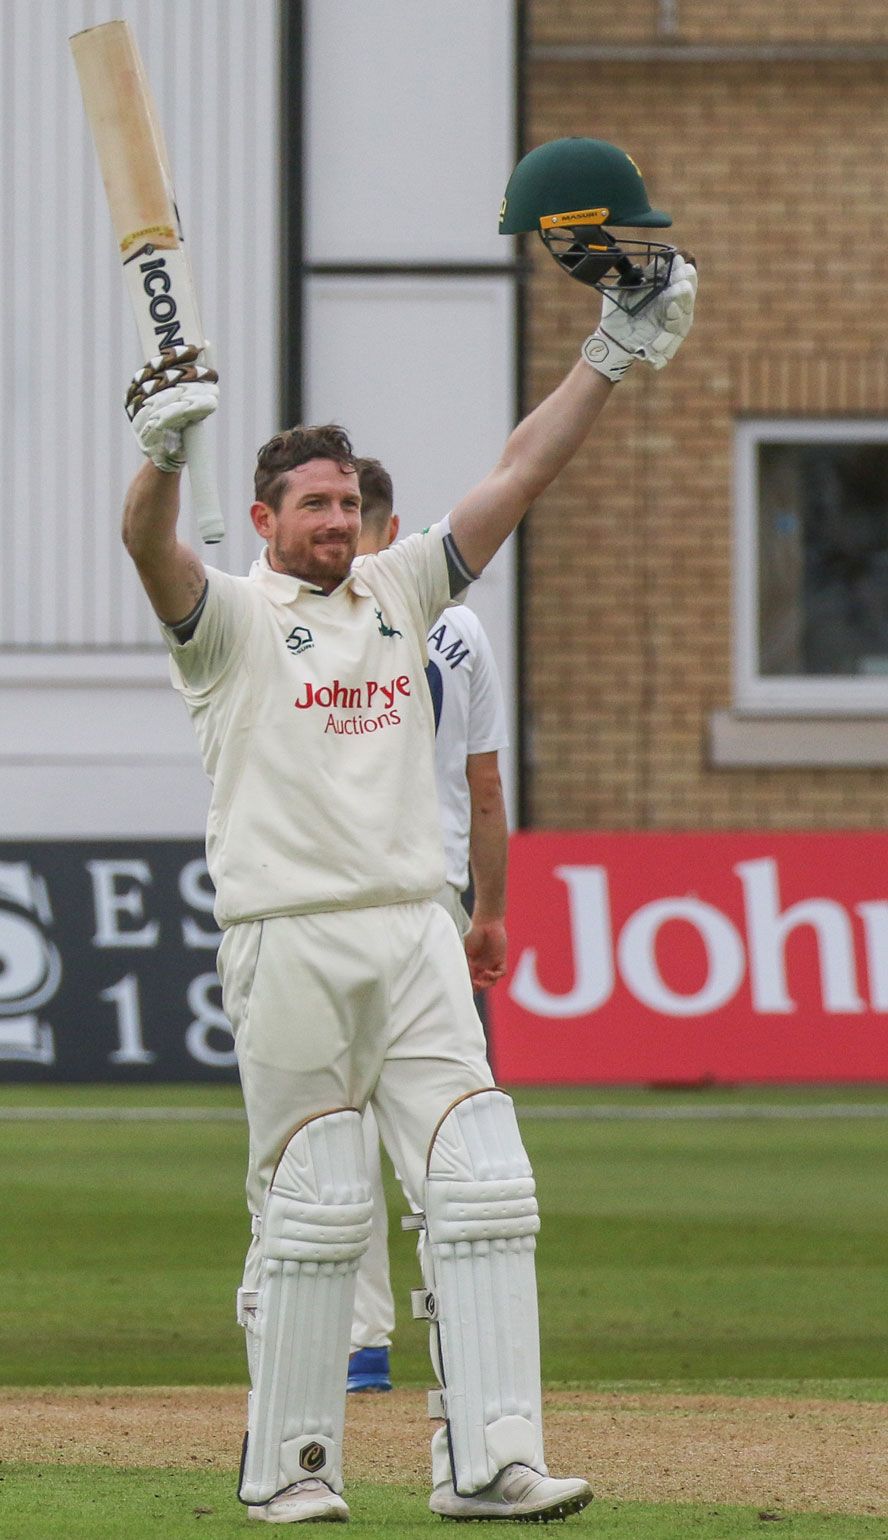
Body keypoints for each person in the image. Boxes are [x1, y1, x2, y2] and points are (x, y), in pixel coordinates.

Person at [120, 188, 695, 1519]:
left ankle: (490, 1459)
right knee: (312, 1211)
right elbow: (147, 546)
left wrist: (610, 351)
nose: (336, 522)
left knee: (483, 1184)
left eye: (346, 503)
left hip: (415, 927)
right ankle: (292, 1471)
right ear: (261, 521)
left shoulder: (403, 588)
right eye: (311, 505)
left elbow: (519, 471)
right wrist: (155, 453)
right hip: (288, 936)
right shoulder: (229, 624)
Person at [347, 457, 510, 1394]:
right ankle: (463, 1338)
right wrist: (489, 910)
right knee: (449, 1131)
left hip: (337, 899)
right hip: (437, 898)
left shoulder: (299, 619)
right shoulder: (460, 628)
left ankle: (363, 1344)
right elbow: (484, 788)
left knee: (336, 1128)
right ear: (397, 523)